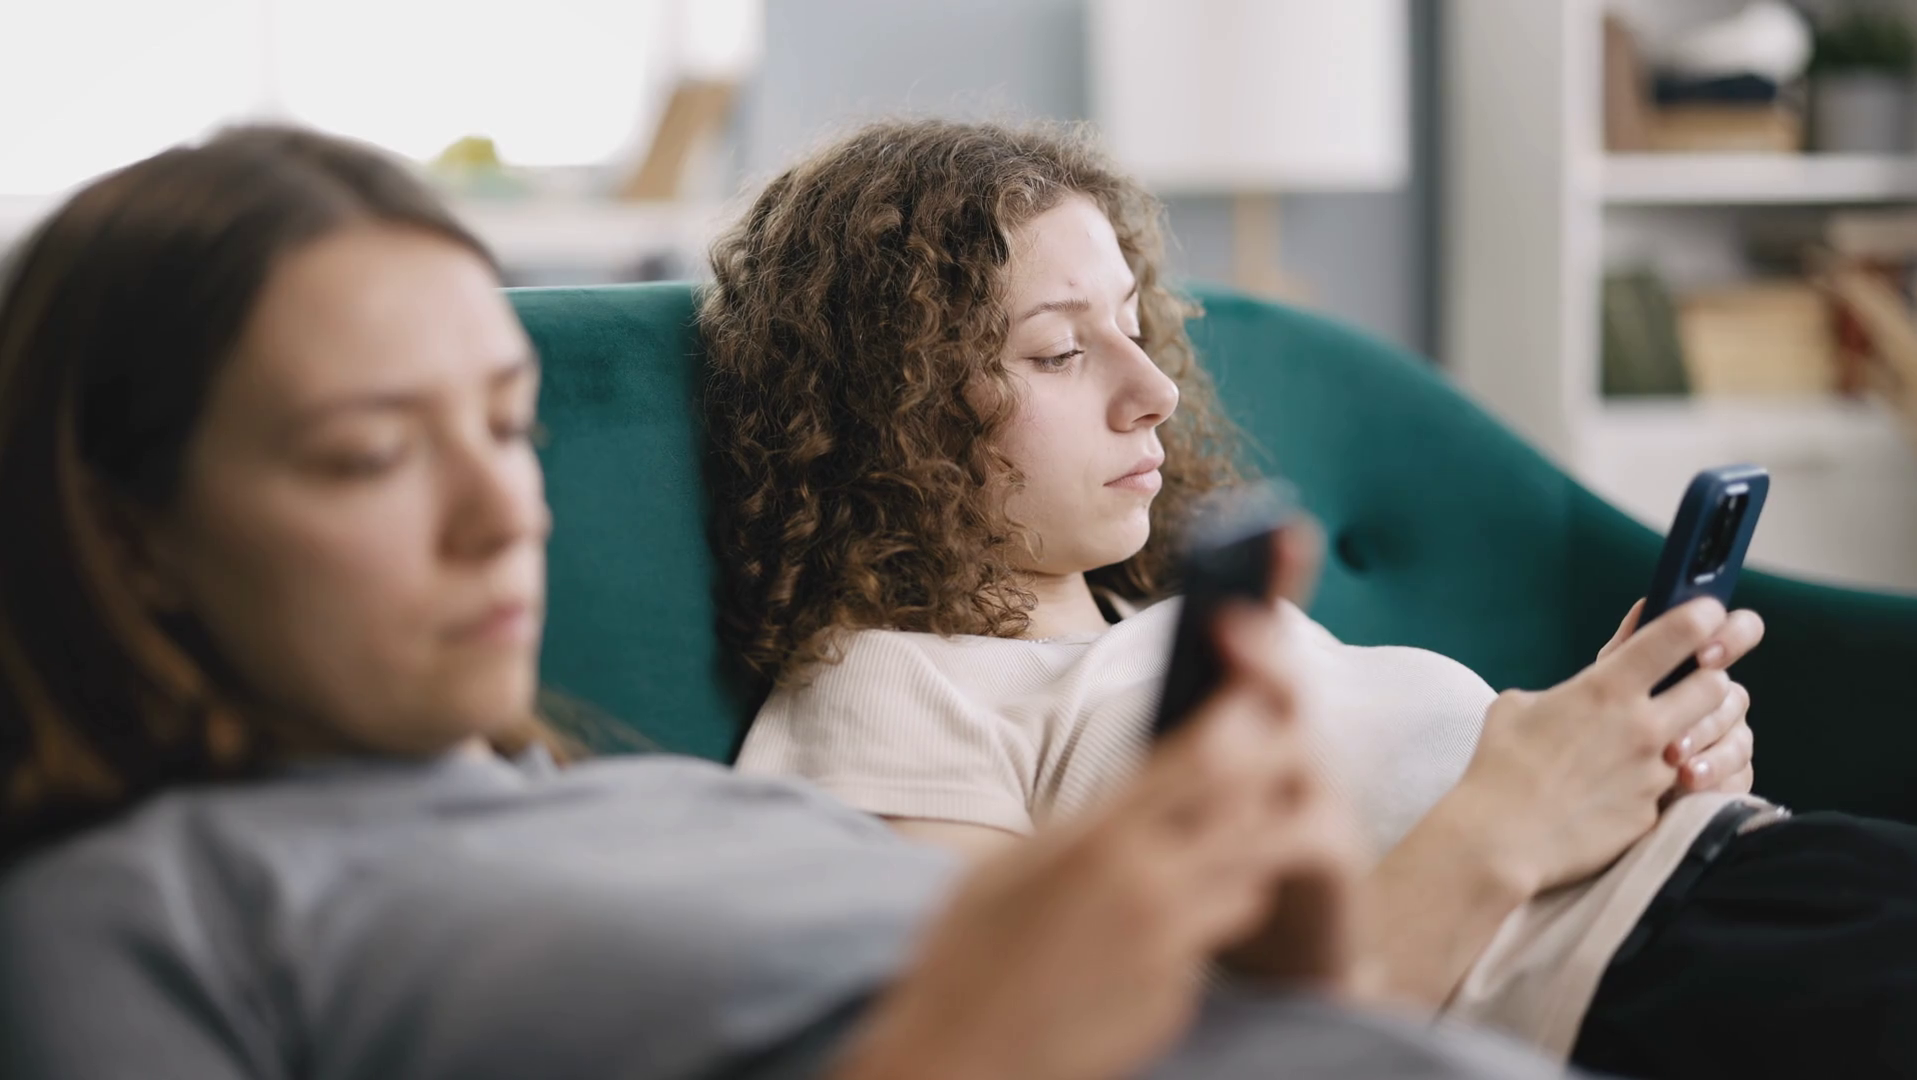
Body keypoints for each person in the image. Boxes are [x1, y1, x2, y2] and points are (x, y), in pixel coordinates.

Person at [0, 125, 1578, 1080]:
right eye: (366, 454)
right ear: (125, 532)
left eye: (501, 421)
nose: (503, 514)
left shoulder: (639, 808)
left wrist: (1265, 933)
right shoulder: (142, 912)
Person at [708, 118, 1917, 1079]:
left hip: (1768, 879)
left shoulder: (1172, 626)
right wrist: (1511, 816)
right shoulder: (886, 686)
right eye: (1061, 351)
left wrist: (1640, 763)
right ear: (893, 407)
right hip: (1666, 976)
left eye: (1136, 329)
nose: (1155, 394)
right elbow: (1029, 1054)